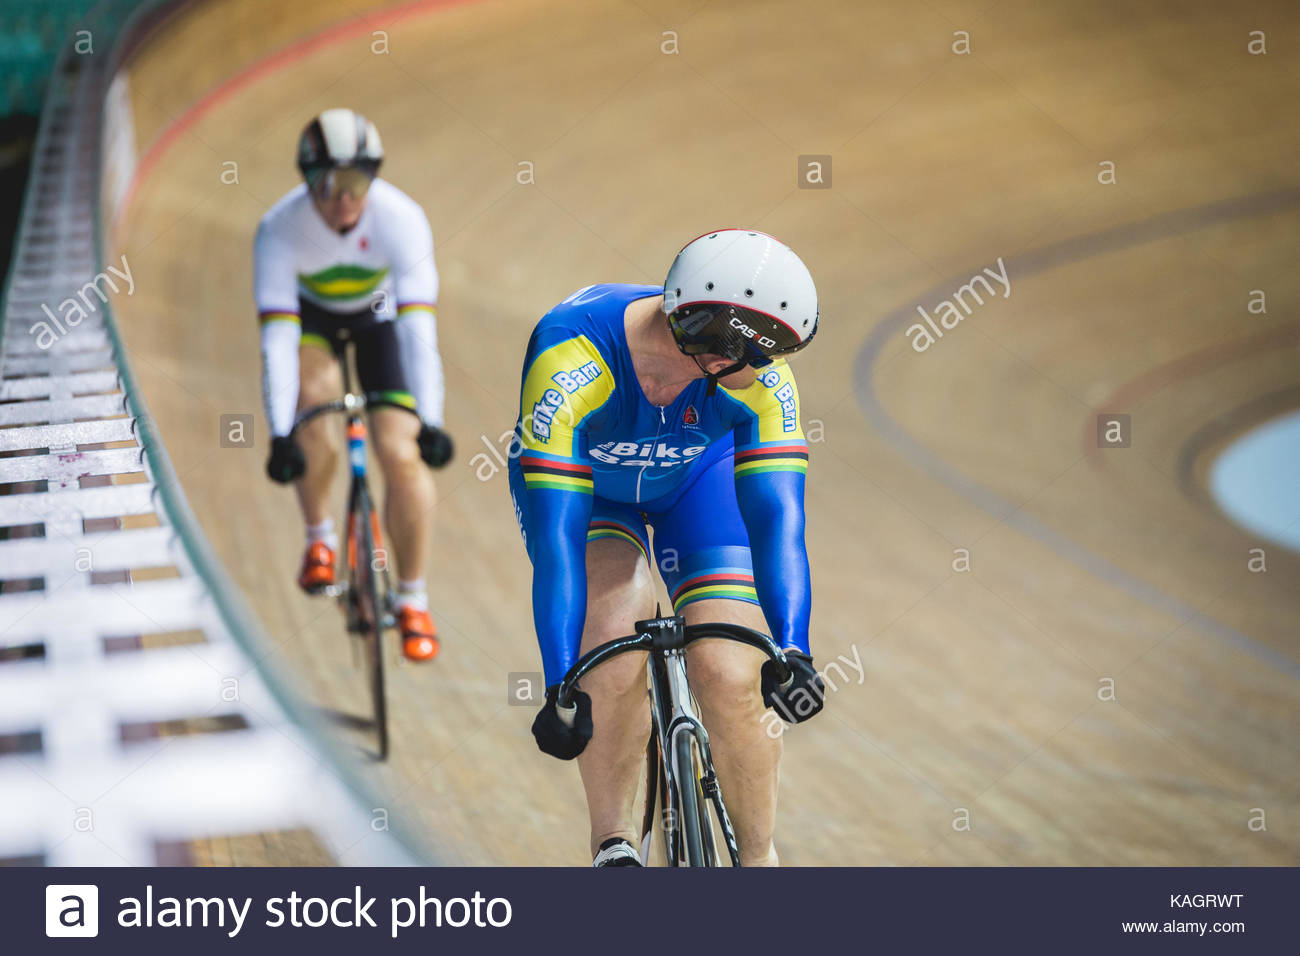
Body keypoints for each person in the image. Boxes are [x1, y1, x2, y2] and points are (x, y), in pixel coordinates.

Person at [509, 229, 826, 866]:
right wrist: (558, 685)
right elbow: (558, 543)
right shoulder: (572, 358)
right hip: (593, 491)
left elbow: (777, 521)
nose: (767, 371)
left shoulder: (759, 376)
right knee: (612, 641)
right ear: (712, 341)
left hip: (696, 482)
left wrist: (793, 647)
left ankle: (759, 861)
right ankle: (613, 842)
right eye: (756, 357)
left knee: (732, 672)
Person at [255, 108, 453, 661]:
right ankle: (319, 537)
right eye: (327, 184)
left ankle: (412, 597)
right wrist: (280, 433)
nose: (342, 197)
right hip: (310, 322)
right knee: (313, 407)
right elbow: (277, 342)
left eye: (356, 182)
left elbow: (418, 330)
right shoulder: (278, 230)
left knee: (401, 452)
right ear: (306, 182)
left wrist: (430, 420)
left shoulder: (401, 218)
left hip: (376, 320)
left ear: (374, 177)